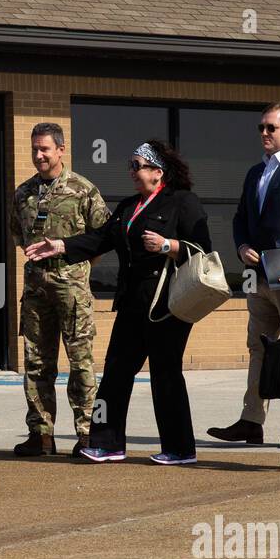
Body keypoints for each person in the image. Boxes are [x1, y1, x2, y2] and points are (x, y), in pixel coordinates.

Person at [26, 140, 210, 465]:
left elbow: (204, 251)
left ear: (158, 171)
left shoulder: (183, 202)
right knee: (115, 372)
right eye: (131, 166)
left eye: (139, 165)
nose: (133, 172)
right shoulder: (128, 207)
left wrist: (168, 245)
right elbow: (99, 239)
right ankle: (107, 443)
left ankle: (180, 448)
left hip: (167, 305)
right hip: (130, 304)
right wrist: (61, 246)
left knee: (166, 374)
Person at [207, 102, 280, 448]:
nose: (264, 134)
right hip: (258, 277)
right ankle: (252, 421)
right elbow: (240, 218)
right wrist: (241, 247)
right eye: (261, 128)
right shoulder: (256, 172)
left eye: (271, 128)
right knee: (259, 347)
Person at [8, 123, 110, 458]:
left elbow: (103, 237)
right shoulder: (23, 194)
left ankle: (86, 435)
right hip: (36, 291)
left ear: (61, 150)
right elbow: (19, 237)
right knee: (37, 362)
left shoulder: (83, 191)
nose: (39, 156)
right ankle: (40, 434)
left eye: (45, 149)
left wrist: (76, 266)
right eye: (35, 149)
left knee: (81, 363)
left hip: (72, 291)